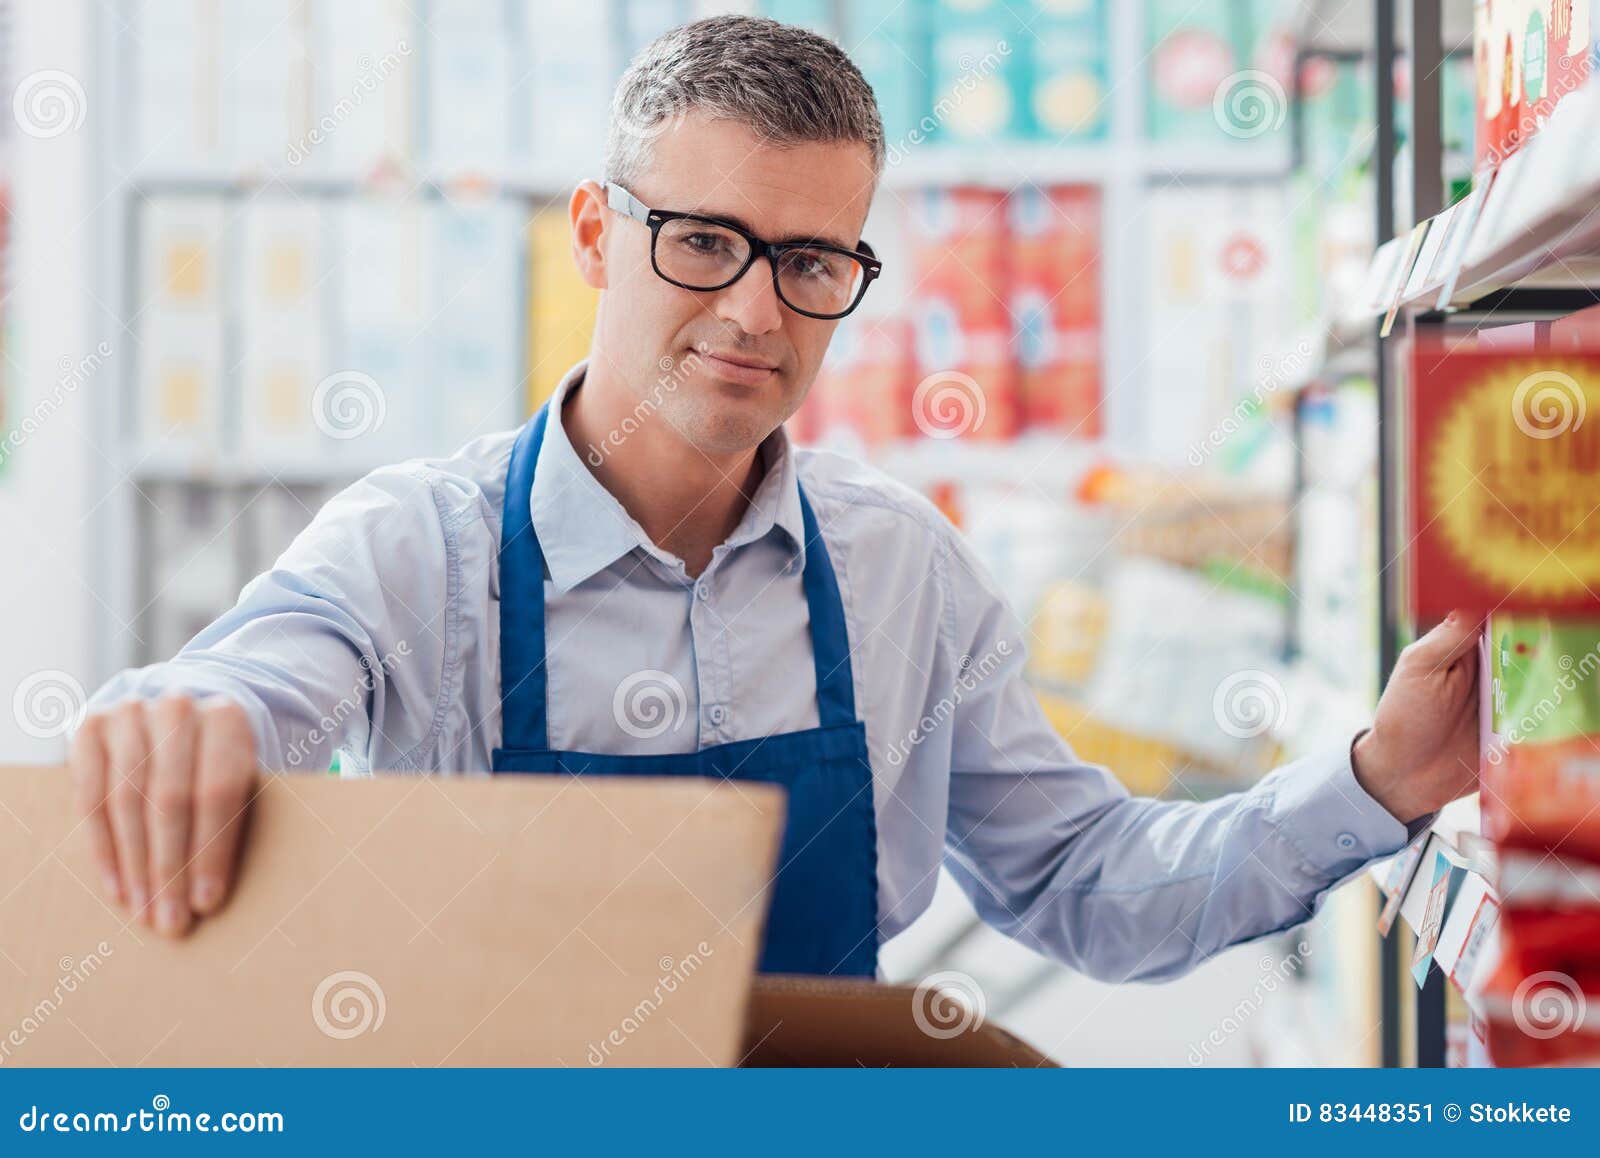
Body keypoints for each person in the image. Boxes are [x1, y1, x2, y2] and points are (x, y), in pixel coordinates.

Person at [73, 16, 1479, 979]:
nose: (755, 309)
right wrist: (176, 728)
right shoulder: (416, 549)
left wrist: (1378, 782)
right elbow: (240, 691)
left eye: (813, 260)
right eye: (704, 241)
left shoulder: (902, 571)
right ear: (593, 237)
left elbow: (1087, 881)